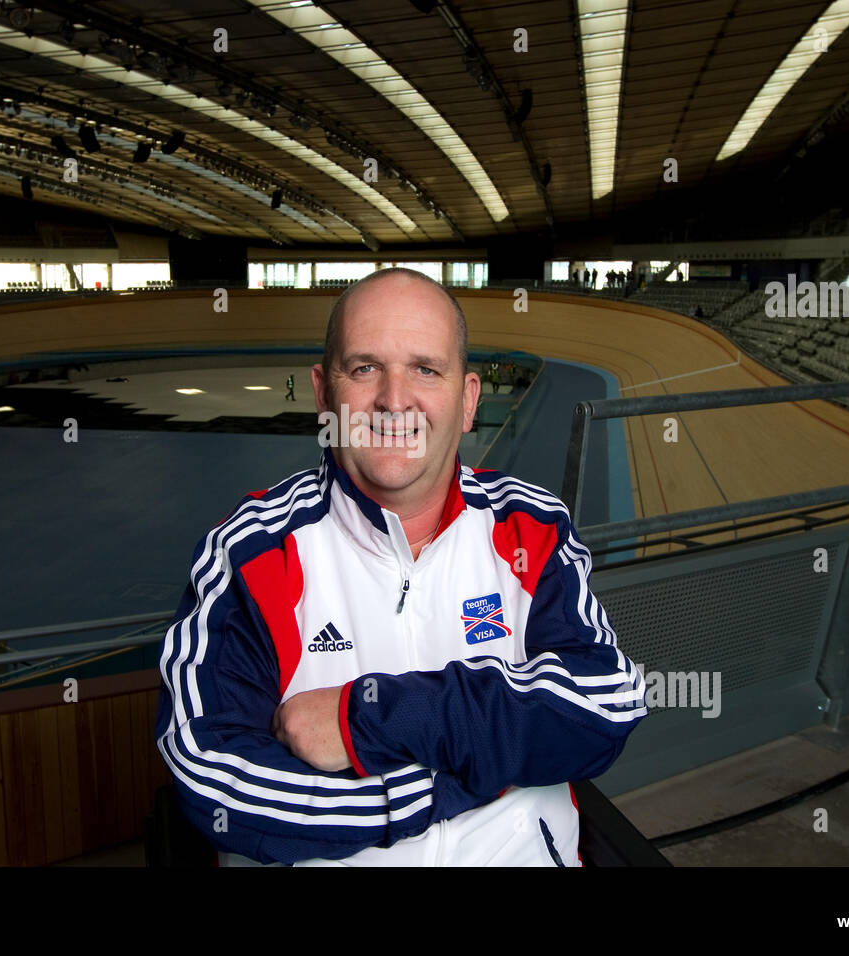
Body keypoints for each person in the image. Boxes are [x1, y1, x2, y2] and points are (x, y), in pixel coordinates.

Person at [154, 268, 646, 866]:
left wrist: (364, 720)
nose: (393, 399)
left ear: (467, 401)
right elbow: (213, 777)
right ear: (322, 393)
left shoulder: (532, 526)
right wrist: (442, 785)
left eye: (425, 369)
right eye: (364, 368)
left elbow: (607, 701)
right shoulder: (251, 551)